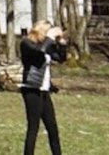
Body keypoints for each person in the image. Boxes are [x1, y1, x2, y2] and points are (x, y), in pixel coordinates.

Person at [19, 20, 69, 155]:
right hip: (32, 90)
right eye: (47, 31)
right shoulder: (27, 43)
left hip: (44, 90)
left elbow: (60, 59)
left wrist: (62, 44)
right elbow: (39, 52)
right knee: (33, 127)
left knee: (52, 127)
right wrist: (50, 38)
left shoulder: (46, 45)